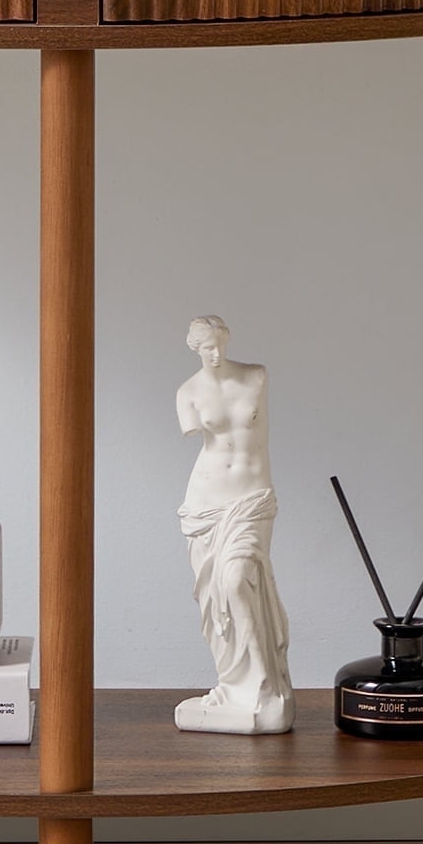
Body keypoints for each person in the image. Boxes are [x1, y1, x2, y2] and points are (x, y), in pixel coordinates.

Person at [173, 315, 294, 734]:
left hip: (252, 498)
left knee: (238, 578)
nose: (217, 353)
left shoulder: (255, 376)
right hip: (206, 503)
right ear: (195, 347)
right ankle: (237, 683)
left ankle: (264, 682)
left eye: (221, 344)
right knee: (216, 597)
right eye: (208, 347)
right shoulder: (187, 393)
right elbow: (202, 440)